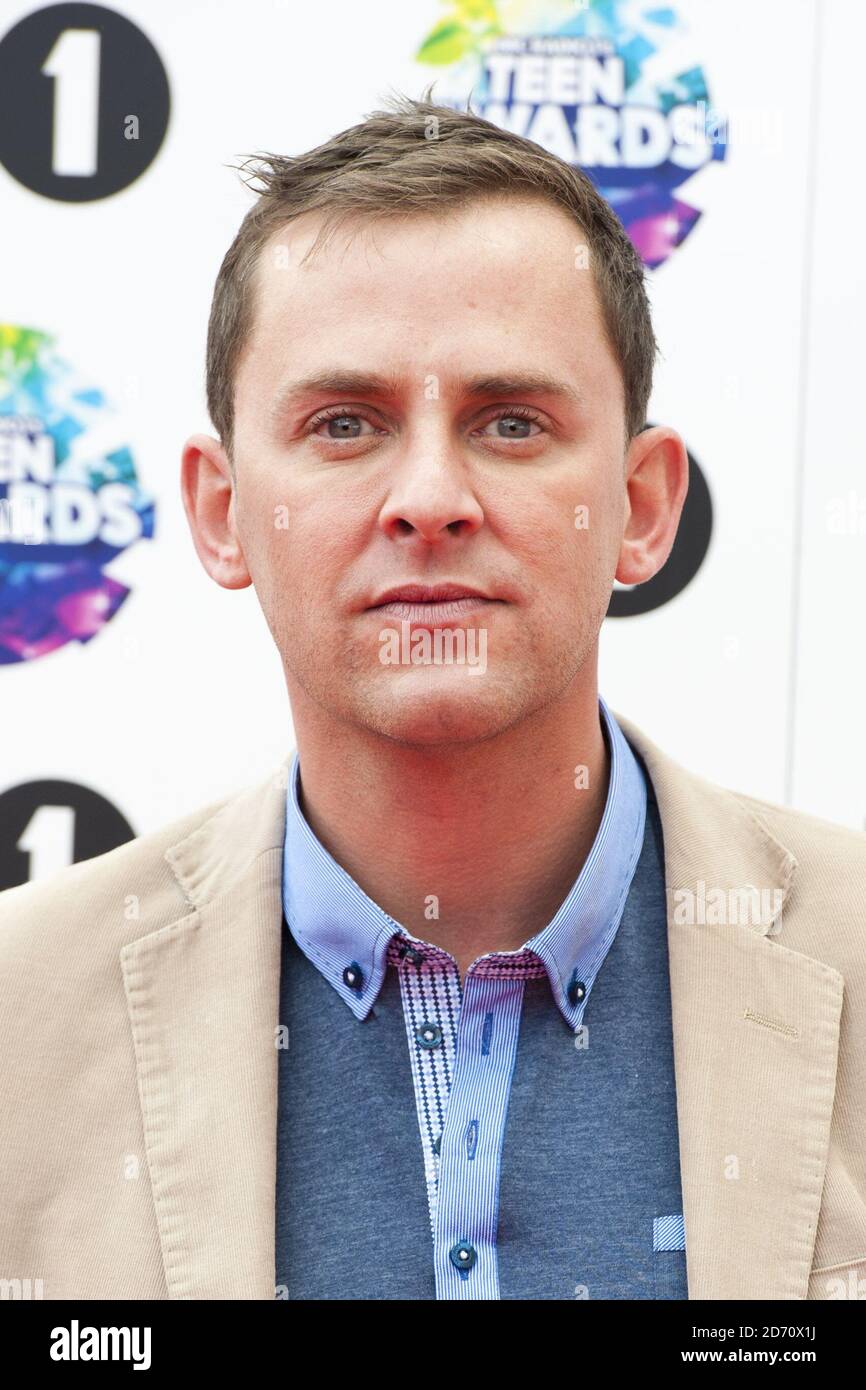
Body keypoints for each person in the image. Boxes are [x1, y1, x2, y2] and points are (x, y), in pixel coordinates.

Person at [1, 94, 864, 1303]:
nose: (428, 497)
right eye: (343, 423)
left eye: (509, 421)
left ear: (643, 505)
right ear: (220, 510)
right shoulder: (16, 1024)